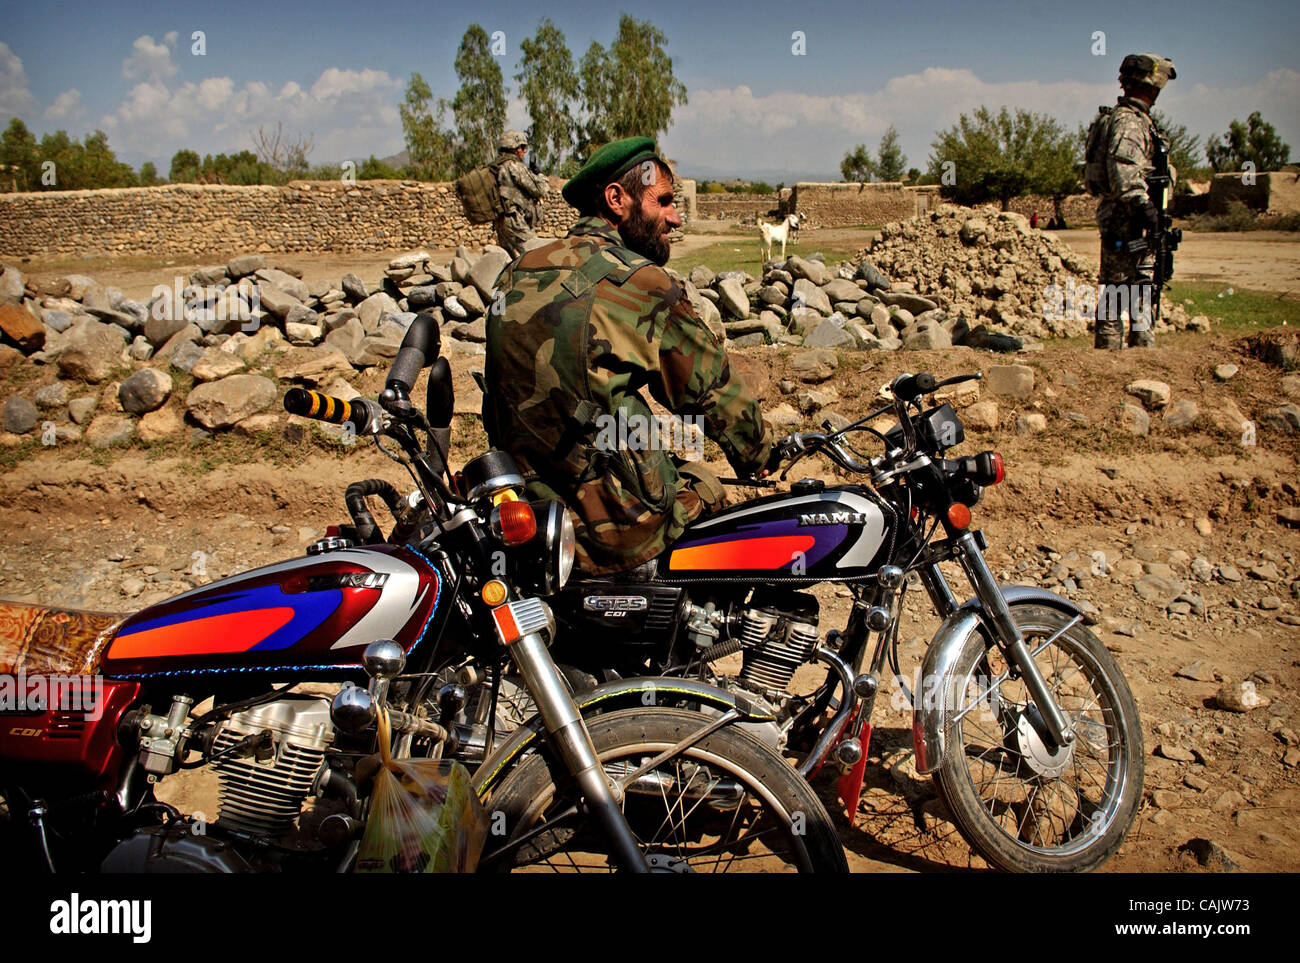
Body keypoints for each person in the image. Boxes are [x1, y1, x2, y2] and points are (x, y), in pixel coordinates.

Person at [483, 137, 774, 576]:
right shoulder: (642, 283)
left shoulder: (517, 270)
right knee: (708, 485)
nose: (675, 218)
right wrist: (760, 457)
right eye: (664, 201)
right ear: (617, 200)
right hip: (613, 532)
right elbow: (712, 394)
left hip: (523, 515)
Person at [1092, 52, 1177, 349]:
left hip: (1137, 223)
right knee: (1116, 295)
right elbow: (1124, 174)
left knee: (1142, 291)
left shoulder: (1139, 120)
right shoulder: (1128, 121)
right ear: (1152, 87)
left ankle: (1142, 363)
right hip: (1127, 223)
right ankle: (1109, 367)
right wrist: (1146, 210)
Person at [493, 130, 551, 258]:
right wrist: (539, 174)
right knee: (535, 256)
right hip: (515, 220)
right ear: (513, 148)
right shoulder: (514, 166)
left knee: (513, 260)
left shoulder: (496, 167)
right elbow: (541, 189)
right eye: (523, 147)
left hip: (501, 221)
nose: (525, 151)